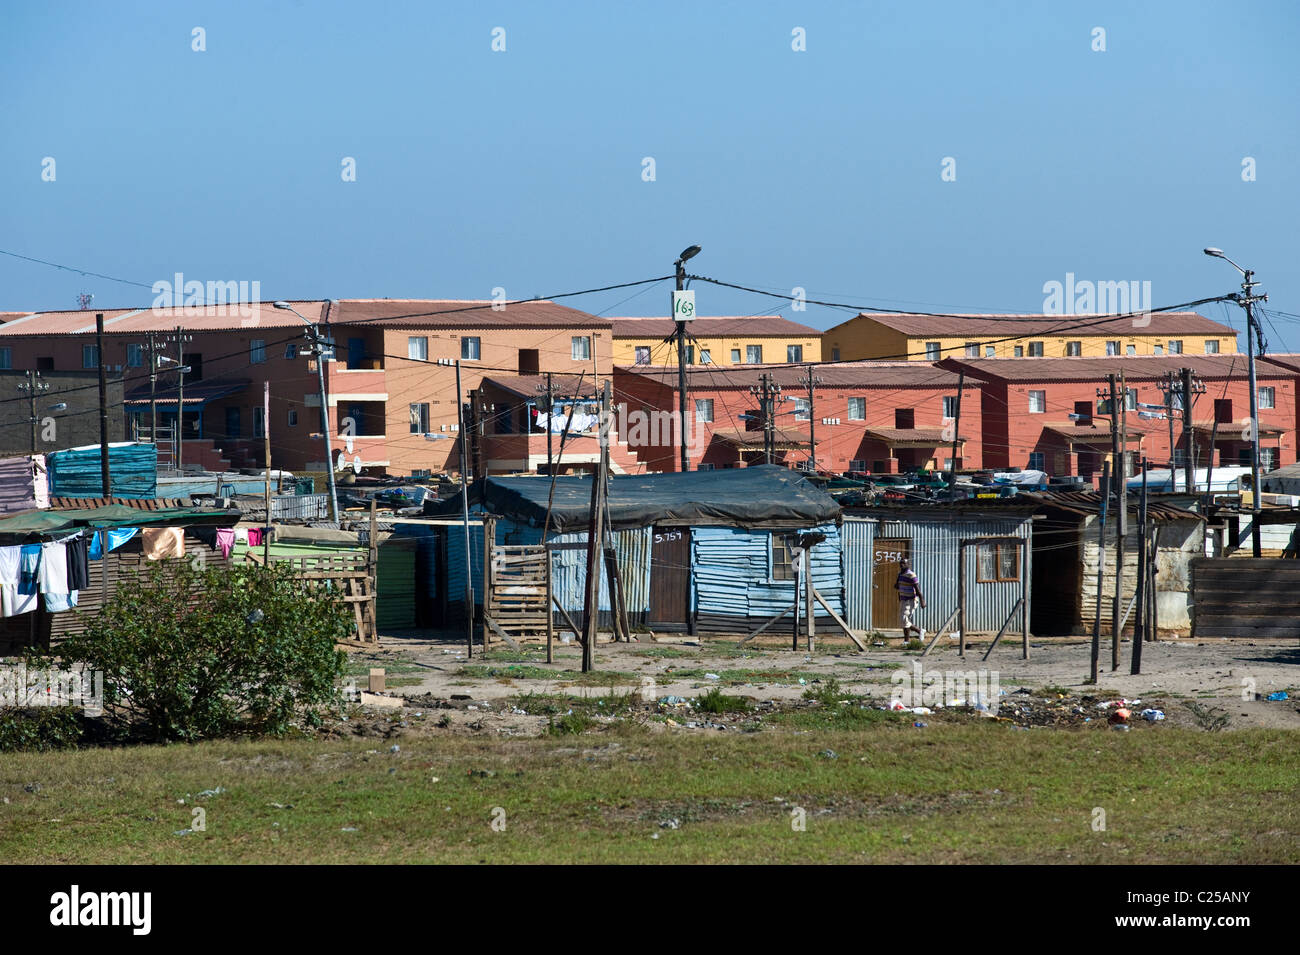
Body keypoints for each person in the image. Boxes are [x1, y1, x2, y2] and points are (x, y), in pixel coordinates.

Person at [896, 558, 926, 642]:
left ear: (908, 565)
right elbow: (897, 586)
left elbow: (918, 589)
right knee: (904, 621)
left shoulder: (911, 575)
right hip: (903, 599)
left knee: (904, 619)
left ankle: (910, 638)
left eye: (904, 564)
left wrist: (922, 601)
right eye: (901, 563)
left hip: (911, 600)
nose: (902, 565)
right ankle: (918, 632)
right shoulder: (900, 574)